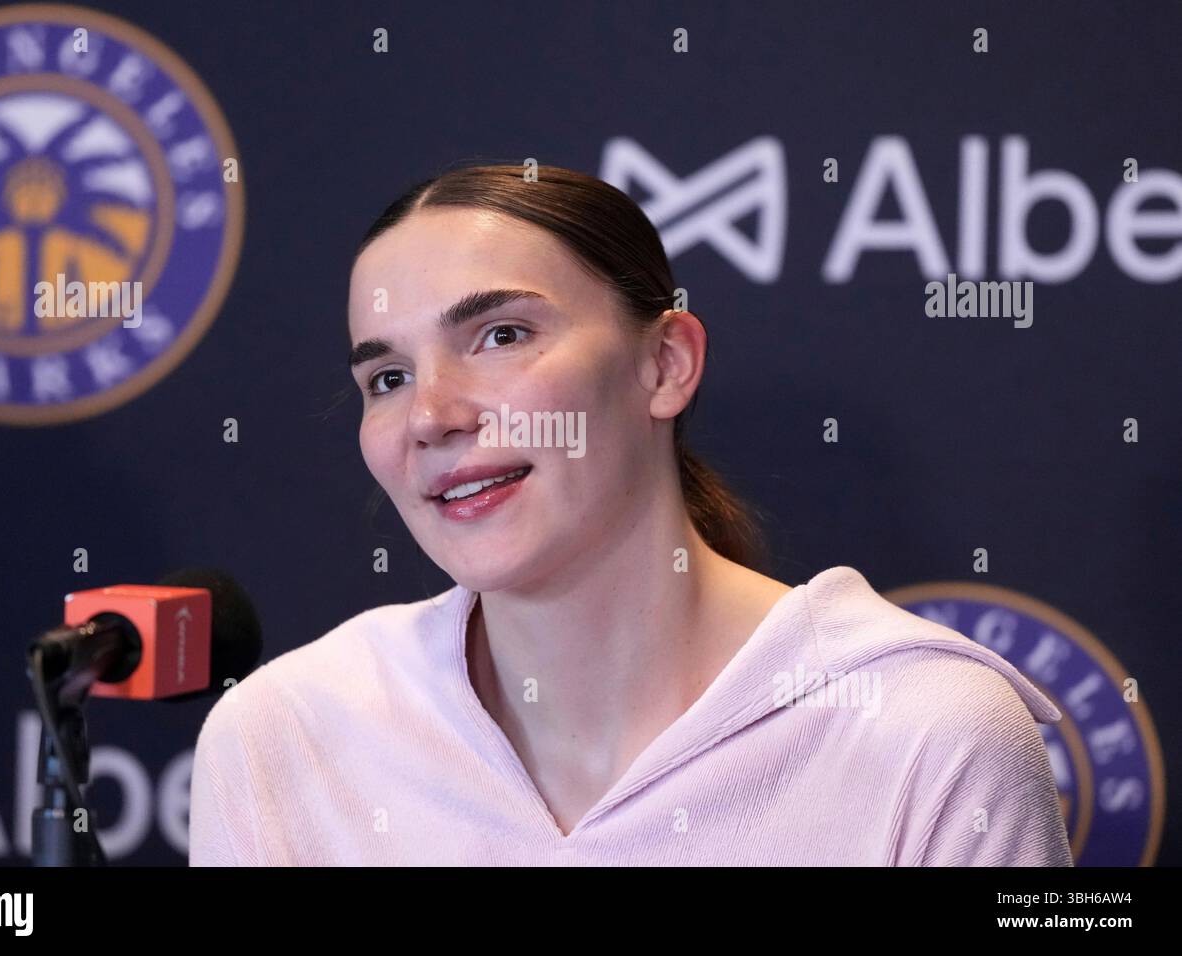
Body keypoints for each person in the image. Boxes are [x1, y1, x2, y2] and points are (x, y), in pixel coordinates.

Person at [189, 163, 1072, 866]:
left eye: (500, 335)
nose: (432, 416)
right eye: (387, 378)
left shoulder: (924, 733)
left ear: (665, 364)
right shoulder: (286, 734)